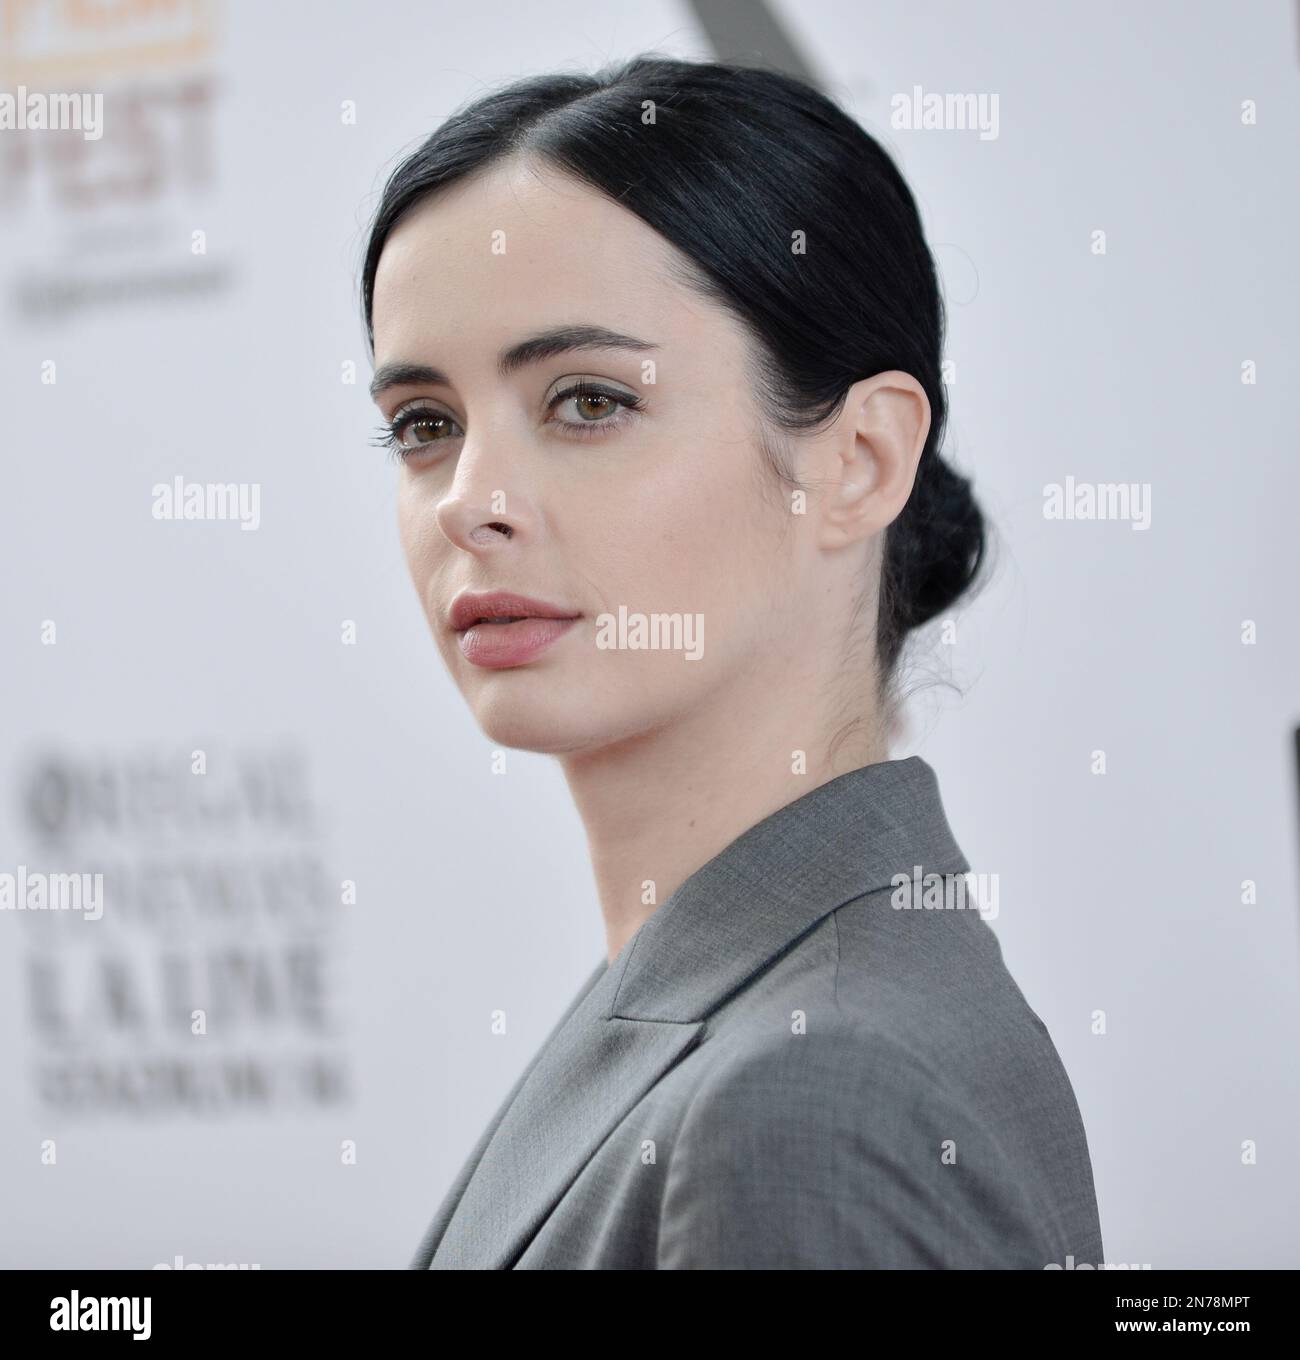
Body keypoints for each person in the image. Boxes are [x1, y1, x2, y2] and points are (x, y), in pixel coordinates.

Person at [359, 53, 1103, 1269]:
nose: (470, 502)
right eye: (425, 426)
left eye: (587, 401)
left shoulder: (818, 1093)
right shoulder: (727, 1002)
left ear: (859, 458)